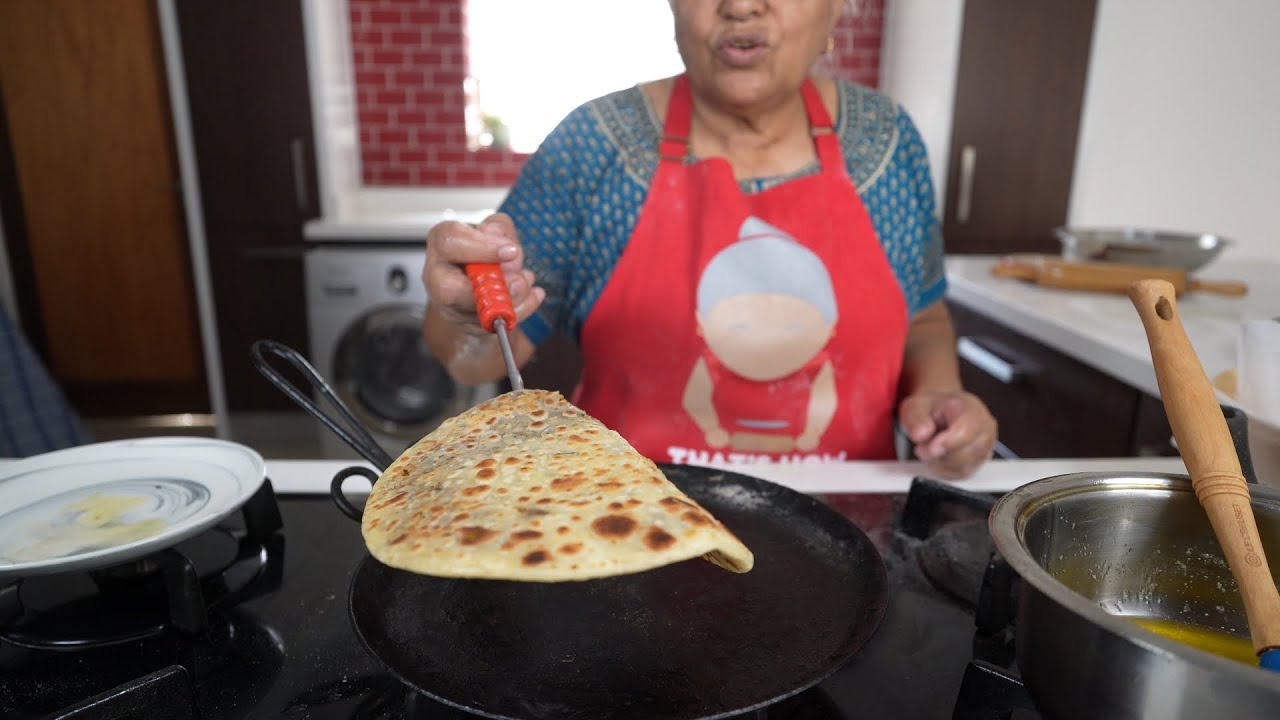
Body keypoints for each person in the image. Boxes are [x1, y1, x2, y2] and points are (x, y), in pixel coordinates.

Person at [423, 0, 997, 478]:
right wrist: (467, 319)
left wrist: (940, 399)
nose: (741, 5)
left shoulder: (888, 143)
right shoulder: (594, 147)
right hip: (622, 523)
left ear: (836, 10)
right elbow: (473, 360)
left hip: (852, 532)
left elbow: (923, 319)